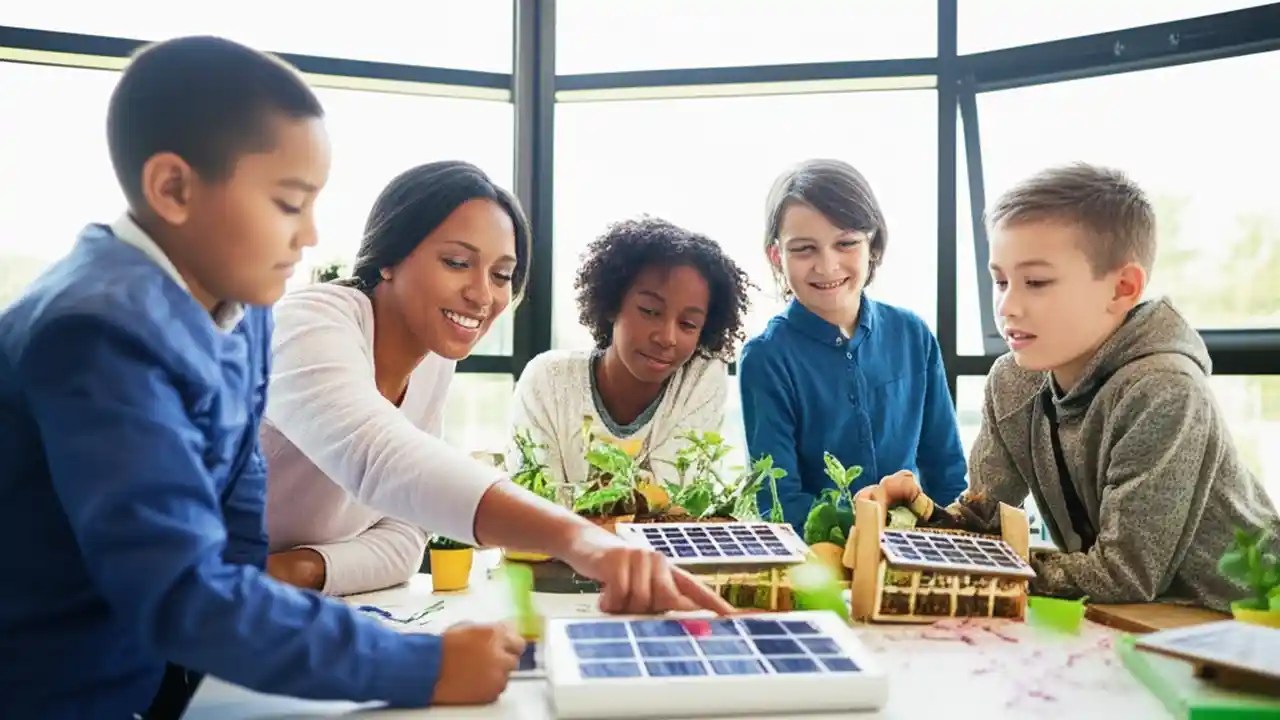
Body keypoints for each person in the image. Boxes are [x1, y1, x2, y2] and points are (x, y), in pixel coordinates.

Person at [0, 37, 724, 720]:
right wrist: (425, 664)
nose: (312, 234)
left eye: (502, 274)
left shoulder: (241, 308)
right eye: (288, 203)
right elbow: (204, 579)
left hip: (186, 673)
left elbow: (244, 538)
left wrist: (278, 601)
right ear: (173, 188)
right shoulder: (97, 331)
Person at [262, 165, 738, 607]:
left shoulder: (430, 364)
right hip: (193, 613)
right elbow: (378, 457)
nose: (482, 294)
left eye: (501, 275)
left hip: (244, 604)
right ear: (388, 257)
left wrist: (293, 570)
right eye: (455, 262)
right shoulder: (307, 322)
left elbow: (406, 534)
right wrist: (579, 538)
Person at [855, 163, 1280, 611]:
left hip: (1243, 623)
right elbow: (983, 522)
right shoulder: (1013, 380)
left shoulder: (1164, 390)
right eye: (1000, 280)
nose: (1007, 306)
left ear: (1122, 288)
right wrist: (920, 515)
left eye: (1036, 282)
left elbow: (1124, 575)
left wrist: (992, 564)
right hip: (1136, 620)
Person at [739, 159, 967, 533]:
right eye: (804, 249)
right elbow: (777, 500)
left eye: (845, 243)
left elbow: (946, 470)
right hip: (817, 562)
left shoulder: (913, 335)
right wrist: (870, 534)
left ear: (872, 245)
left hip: (915, 556)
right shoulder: (765, 358)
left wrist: (952, 541)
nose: (827, 266)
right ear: (776, 257)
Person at [507, 217, 750, 498]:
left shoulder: (700, 377)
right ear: (612, 305)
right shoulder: (547, 379)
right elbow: (532, 501)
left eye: (688, 325)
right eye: (649, 311)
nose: (667, 337)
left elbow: (672, 497)